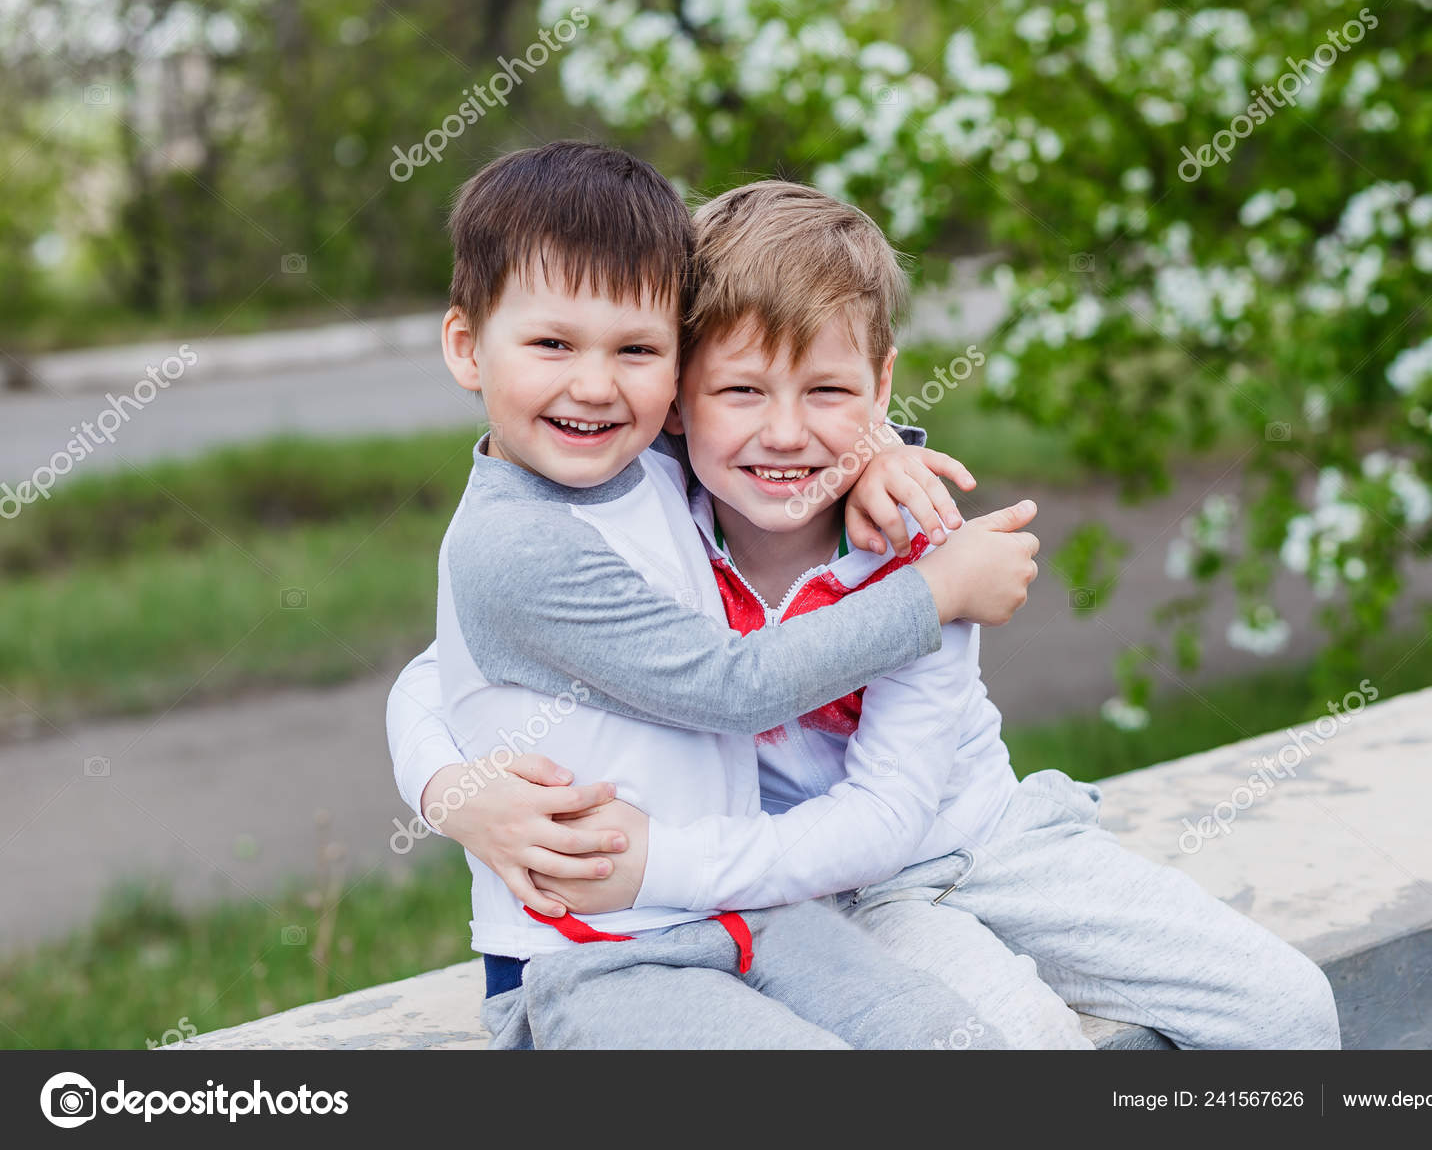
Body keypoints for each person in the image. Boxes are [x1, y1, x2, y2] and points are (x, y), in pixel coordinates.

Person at [394, 175, 1343, 1050]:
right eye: (738, 391)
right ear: (681, 395)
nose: (784, 433)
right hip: (829, 897)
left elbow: (886, 810)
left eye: (832, 394)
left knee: (1287, 1008)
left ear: (881, 387)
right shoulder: (649, 502)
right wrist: (454, 792)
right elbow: (447, 666)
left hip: (970, 838)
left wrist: (912, 536)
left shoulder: (925, 544)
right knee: (1023, 1043)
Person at [400, 141, 1041, 1048]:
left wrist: (880, 450)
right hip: (593, 952)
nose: (594, 383)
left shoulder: (645, 467)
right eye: (551, 343)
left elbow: (778, 421)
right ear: (468, 347)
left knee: (948, 1038)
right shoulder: (515, 541)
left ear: (673, 378)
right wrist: (934, 591)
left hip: (746, 914)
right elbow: (732, 685)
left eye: (637, 349)